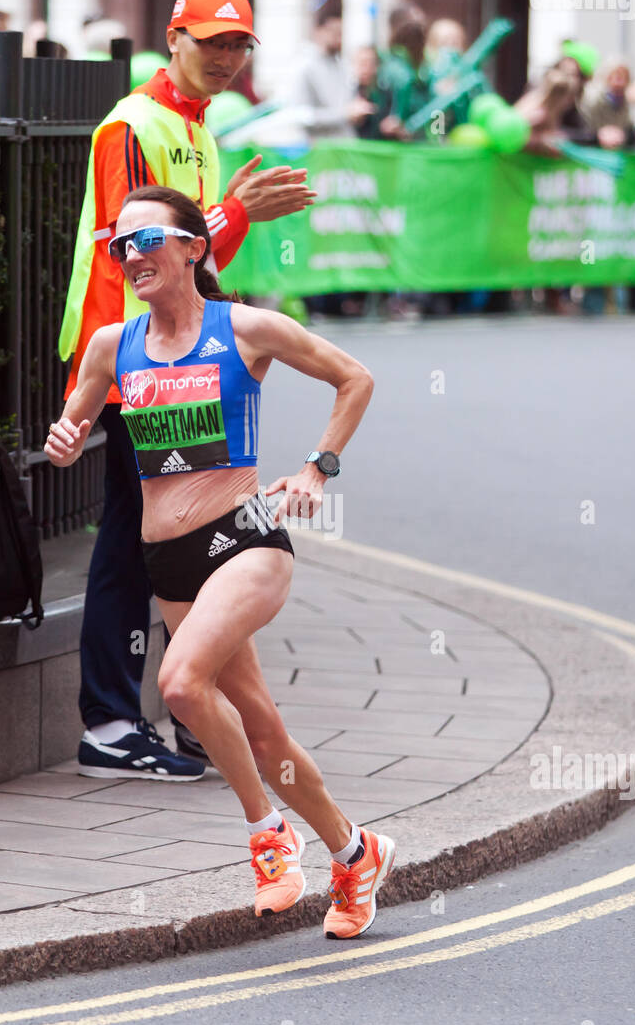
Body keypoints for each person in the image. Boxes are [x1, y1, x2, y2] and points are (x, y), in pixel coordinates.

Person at [44, 185, 394, 940]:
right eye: (119, 246)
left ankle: (268, 840)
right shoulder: (113, 345)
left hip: (245, 537)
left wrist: (316, 470)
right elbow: (72, 418)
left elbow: (354, 378)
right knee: (263, 730)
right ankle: (355, 851)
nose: (131, 257)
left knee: (177, 685)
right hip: (165, 558)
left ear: (193, 247)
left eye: (146, 241)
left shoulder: (246, 329)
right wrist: (65, 438)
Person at [56, 0, 315, 780]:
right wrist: (233, 219)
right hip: (136, 363)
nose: (227, 59)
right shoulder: (131, 125)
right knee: (138, 531)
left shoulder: (197, 124)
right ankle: (106, 721)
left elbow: (191, 260)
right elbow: (132, 256)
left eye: (238, 46)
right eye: (212, 44)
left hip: (180, 358)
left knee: (197, 529)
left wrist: (226, 231)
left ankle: (192, 706)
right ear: (174, 39)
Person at [282, 10, 371, 143]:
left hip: (345, 148)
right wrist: (344, 114)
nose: (338, 37)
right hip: (320, 150)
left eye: (340, 32)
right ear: (318, 31)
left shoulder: (342, 64)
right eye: (333, 31)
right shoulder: (304, 67)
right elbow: (302, 116)